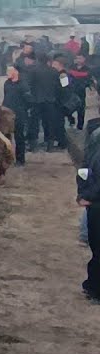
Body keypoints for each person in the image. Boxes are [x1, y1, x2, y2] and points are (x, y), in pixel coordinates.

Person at [78, 124, 100, 302]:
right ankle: (92, 285)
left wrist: (87, 195)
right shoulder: (96, 135)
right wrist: (83, 193)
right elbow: (84, 169)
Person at [1, 65, 30, 166]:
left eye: (10, 70)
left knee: (19, 137)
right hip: (6, 114)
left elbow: (28, 100)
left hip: (19, 114)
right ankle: (5, 158)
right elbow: (5, 97)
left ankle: (20, 159)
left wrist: (23, 111)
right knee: (4, 137)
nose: (7, 72)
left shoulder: (23, 85)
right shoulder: (7, 83)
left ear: (16, 72)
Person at [66, 54, 92, 131]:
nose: (78, 60)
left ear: (84, 59)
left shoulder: (87, 68)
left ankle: (80, 127)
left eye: (80, 58)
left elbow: (88, 78)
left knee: (81, 110)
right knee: (68, 109)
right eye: (77, 58)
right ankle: (71, 119)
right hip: (71, 92)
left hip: (81, 92)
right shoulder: (71, 67)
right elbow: (68, 76)